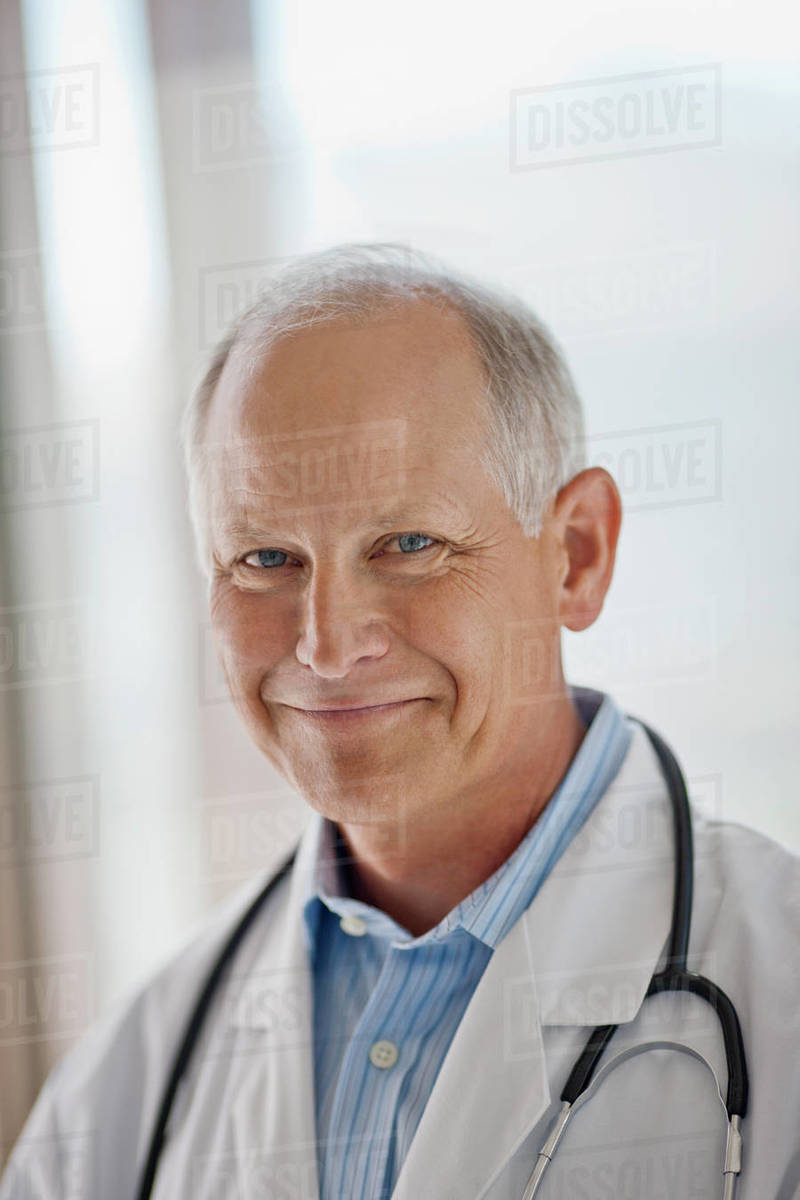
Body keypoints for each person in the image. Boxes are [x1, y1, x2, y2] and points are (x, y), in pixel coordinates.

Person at [2, 244, 798, 1200]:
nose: (327, 645)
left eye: (409, 544)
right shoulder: (118, 1100)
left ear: (576, 556)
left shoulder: (777, 988)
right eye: (263, 558)